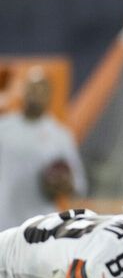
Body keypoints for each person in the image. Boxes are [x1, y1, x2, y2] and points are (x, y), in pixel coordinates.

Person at [0, 67, 86, 231]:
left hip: (41, 226)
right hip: (4, 222)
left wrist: (63, 183)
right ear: (23, 91)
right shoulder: (3, 128)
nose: (36, 94)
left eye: (41, 90)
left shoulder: (60, 135)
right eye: (32, 88)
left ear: (50, 95)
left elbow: (79, 185)